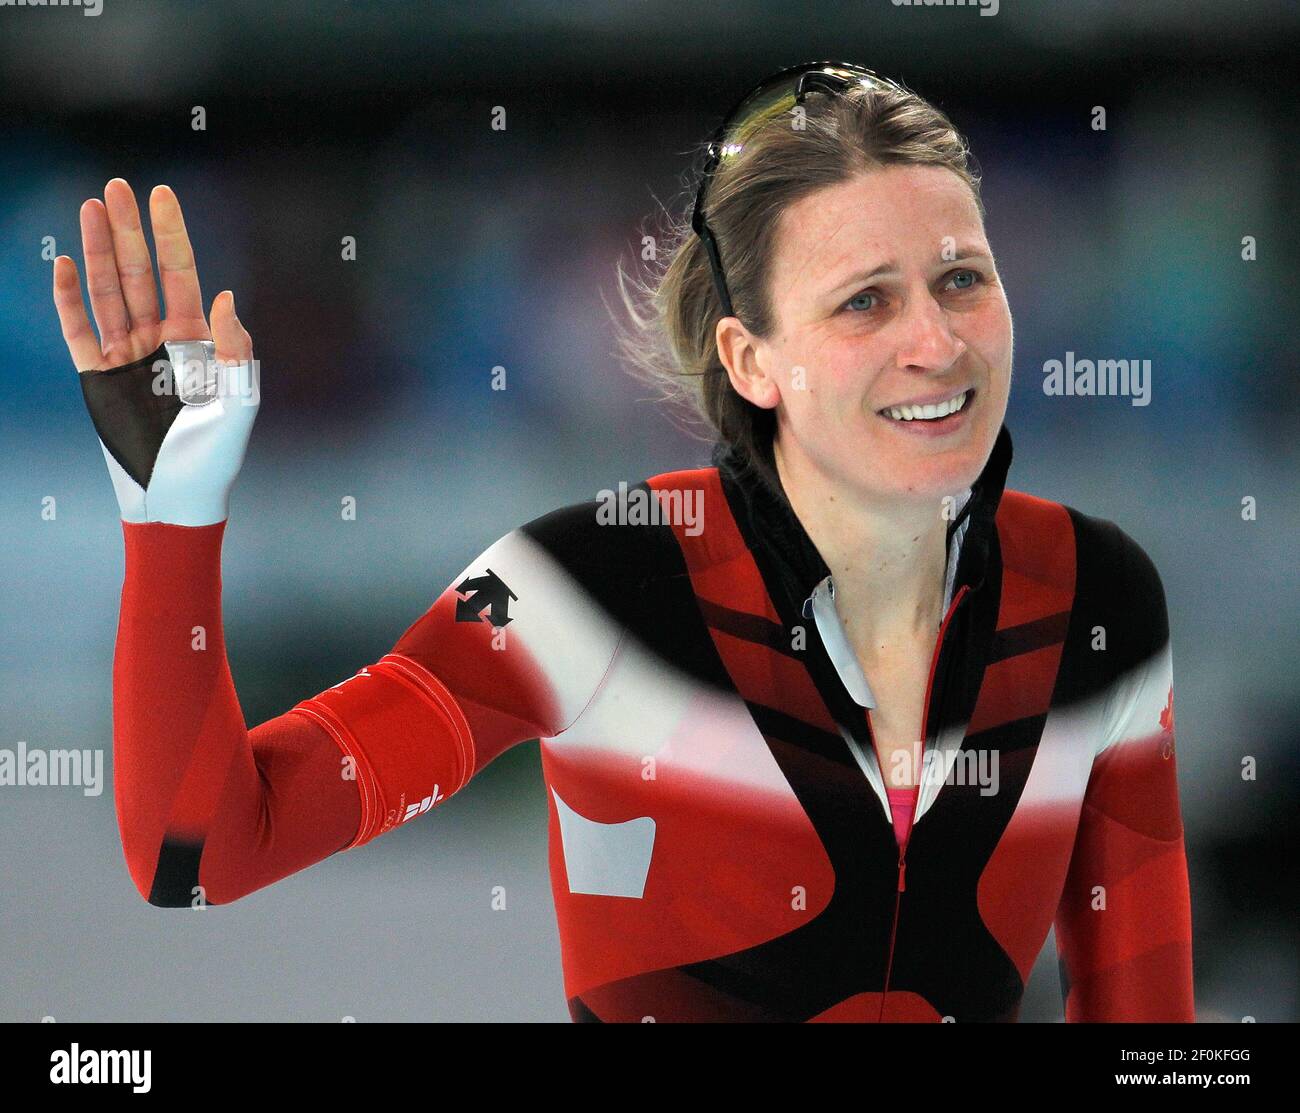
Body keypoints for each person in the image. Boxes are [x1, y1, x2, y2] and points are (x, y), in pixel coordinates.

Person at [52, 62, 1193, 1023]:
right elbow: (199, 853)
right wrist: (172, 525)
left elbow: (1153, 1041)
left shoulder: (1098, 600)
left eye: (961, 279)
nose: (936, 341)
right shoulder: (592, 585)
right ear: (751, 362)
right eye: (864, 303)